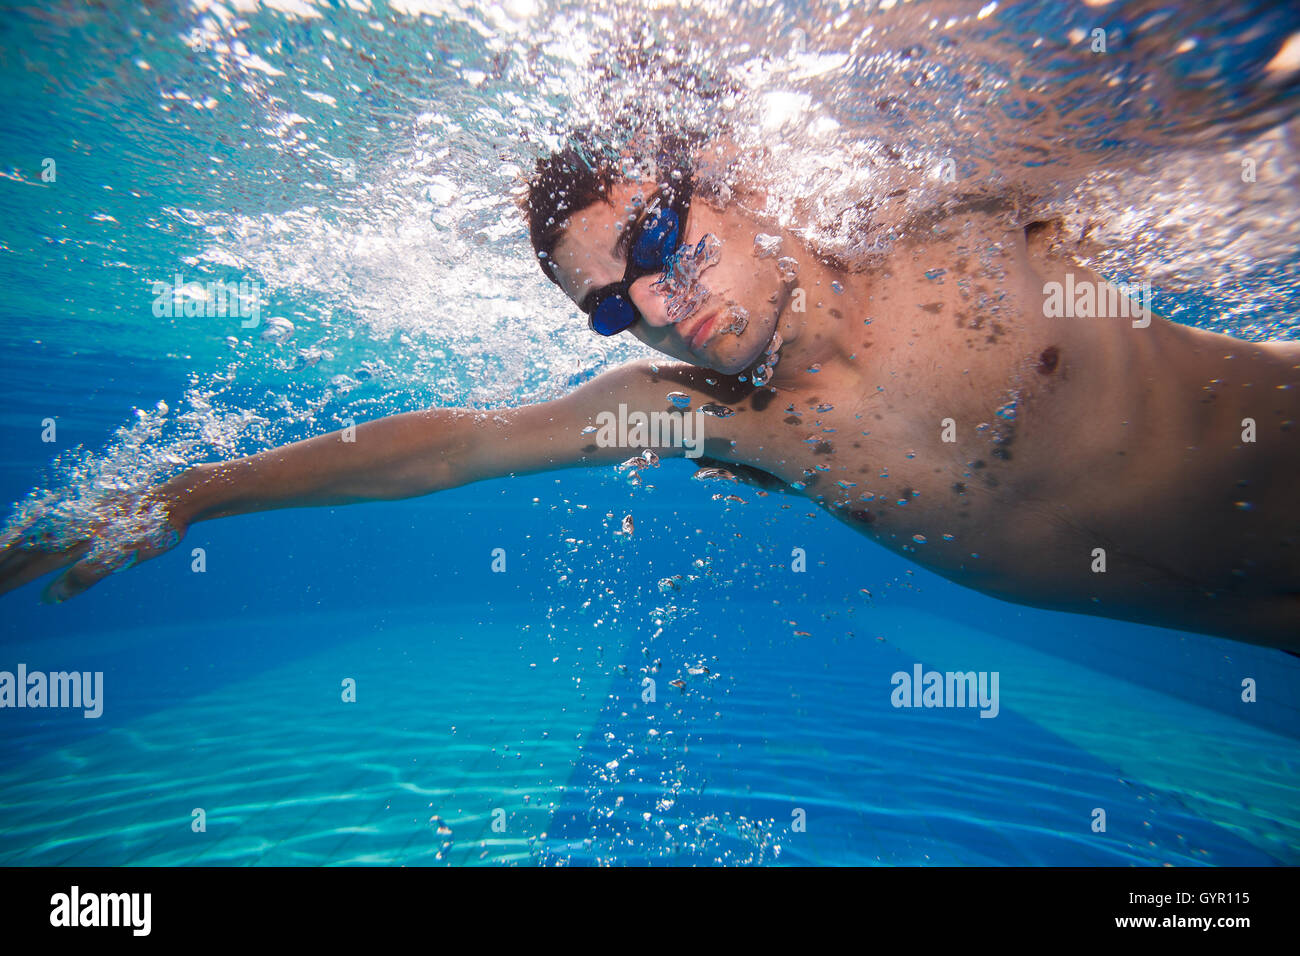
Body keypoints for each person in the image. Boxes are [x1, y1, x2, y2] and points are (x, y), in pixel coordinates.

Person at [1, 134, 1297, 653]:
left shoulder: (946, 224)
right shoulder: (713, 418)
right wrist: (189, 497)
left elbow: (1178, 120)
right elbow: (451, 451)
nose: (665, 301)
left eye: (662, 241)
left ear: (732, 184)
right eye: (617, 299)